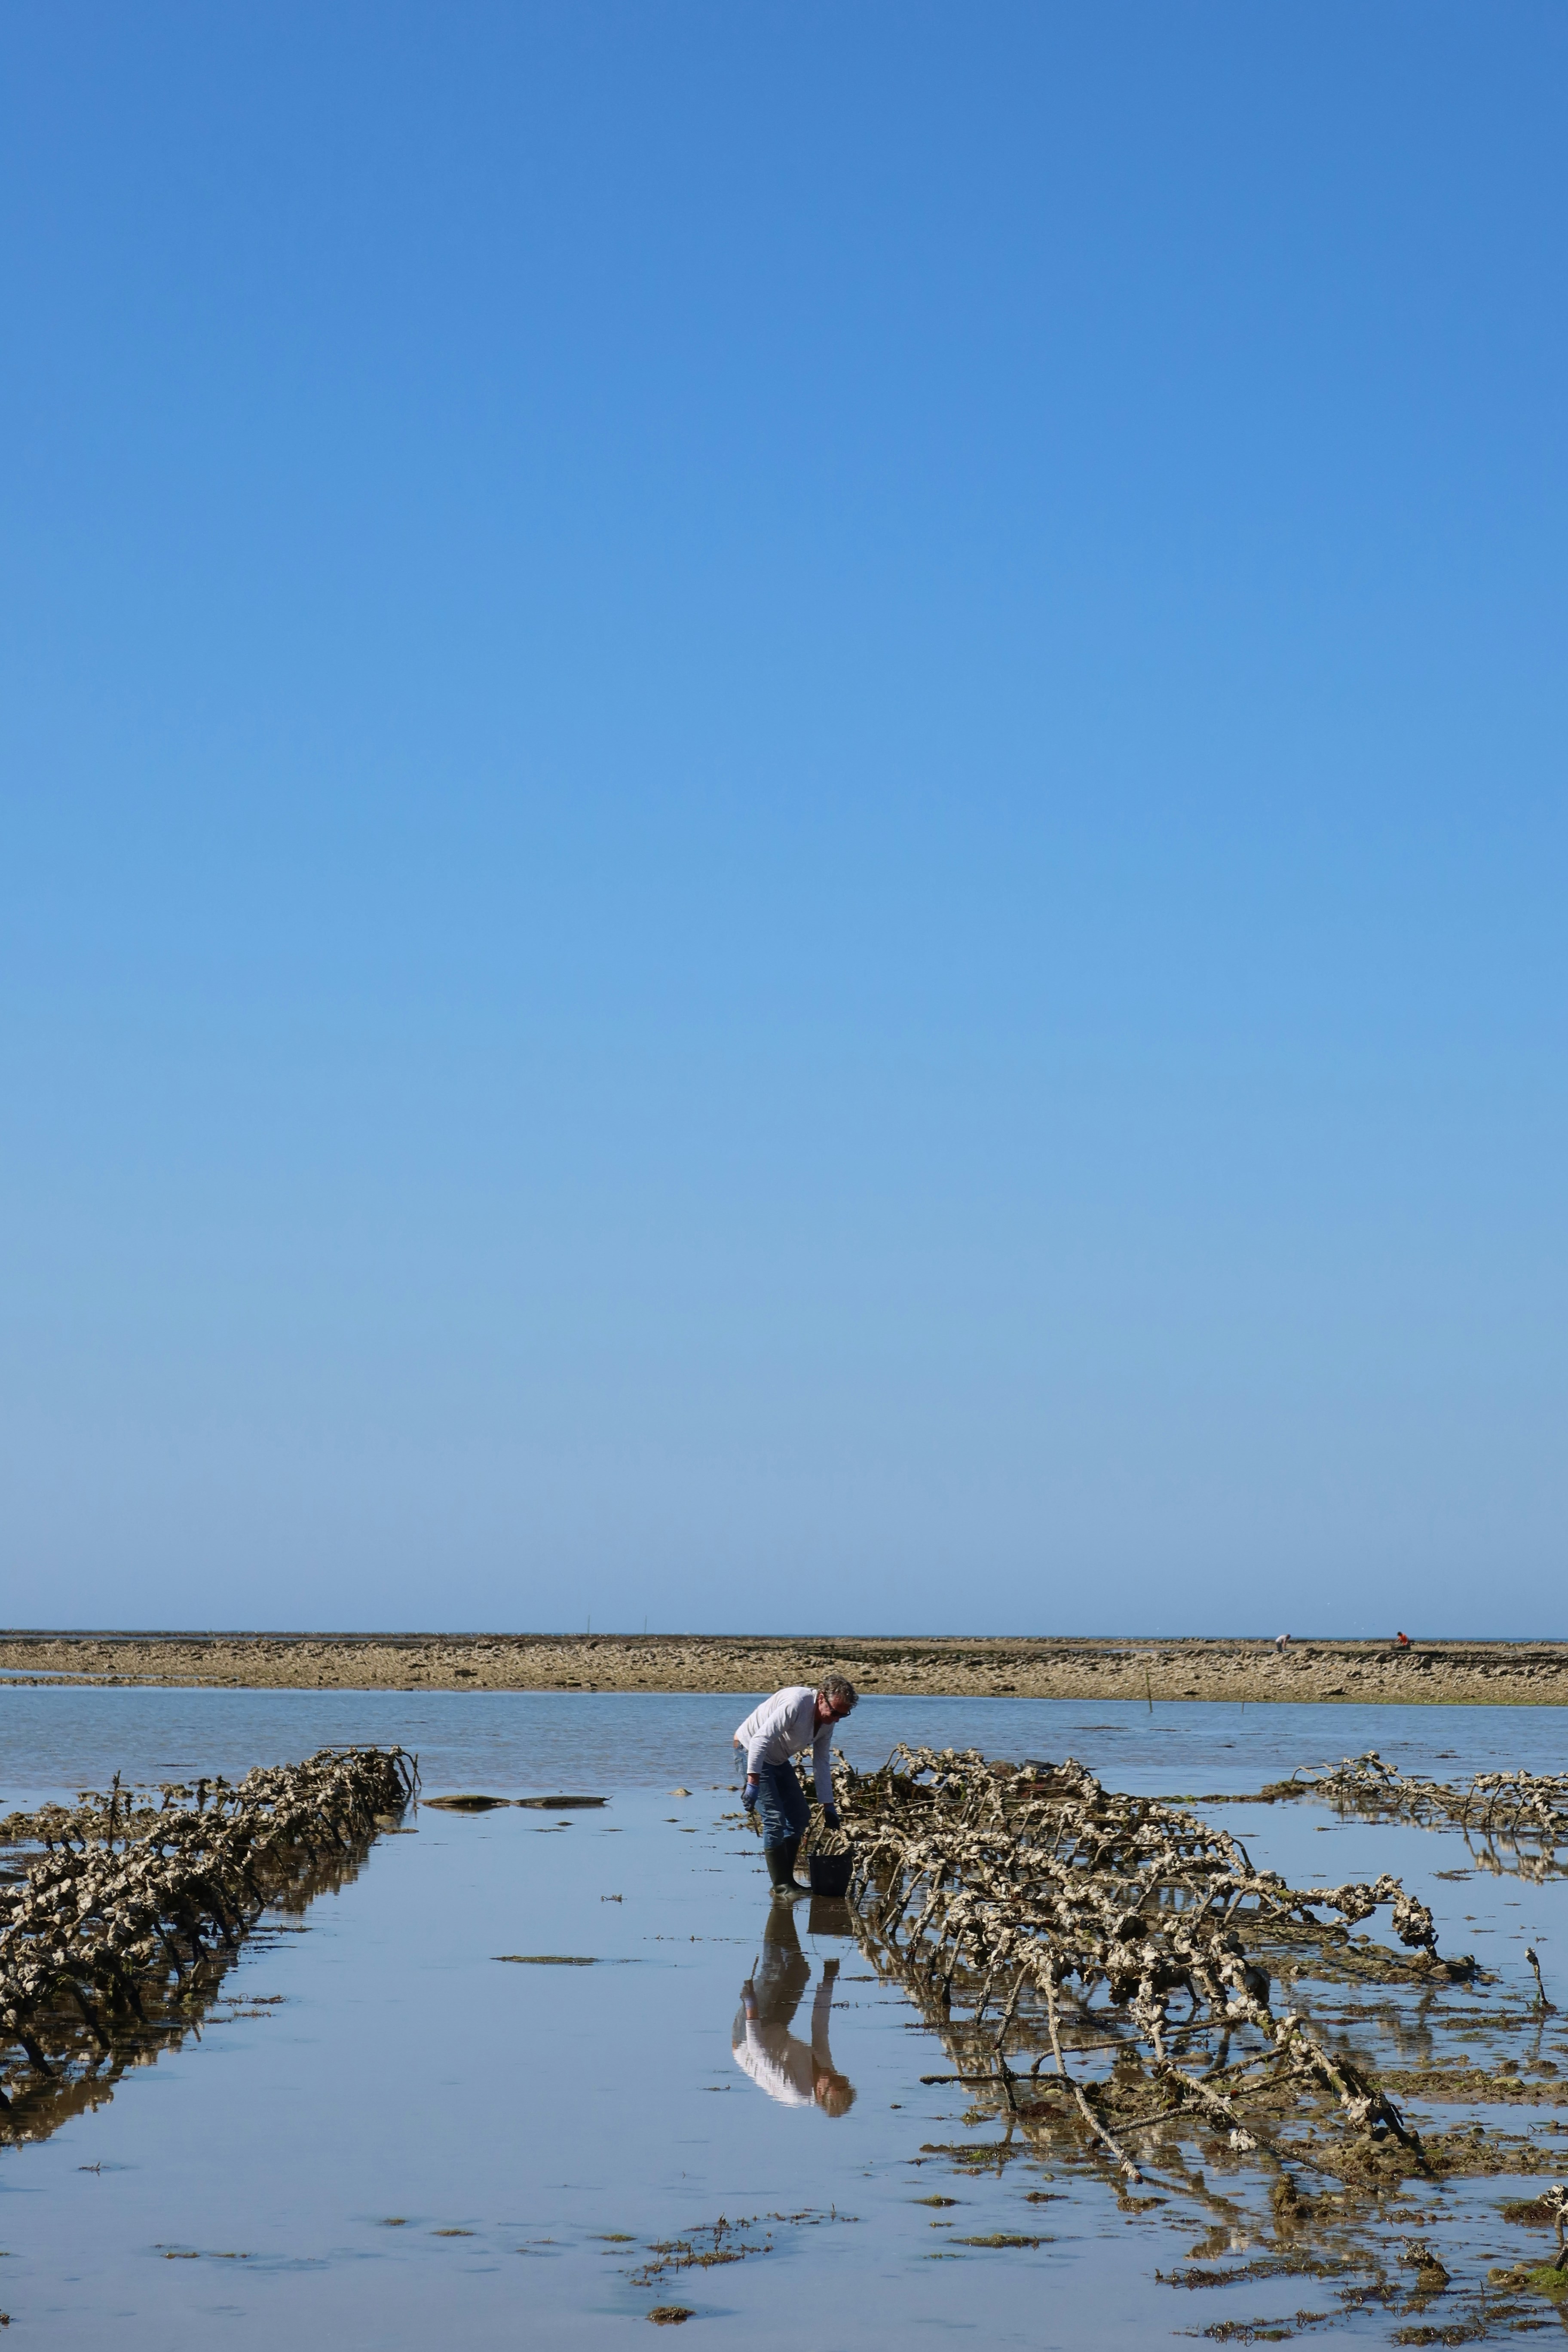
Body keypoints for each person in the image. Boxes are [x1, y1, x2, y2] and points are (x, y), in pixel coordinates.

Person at [733, 1674, 858, 1894]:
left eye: (843, 1715)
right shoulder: (796, 1704)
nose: (836, 1718)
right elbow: (759, 1740)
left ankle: (788, 1881)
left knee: (800, 1817)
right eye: (835, 1712)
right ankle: (781, 1887)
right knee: (774, 1819)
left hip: (778, 1760)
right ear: (821, 1698)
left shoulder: (827, 1723)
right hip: (750, 1750)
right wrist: (753, 1782)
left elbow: (821, 1762)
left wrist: (828, 1806)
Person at [732, 1900, 855, 2116]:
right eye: (841, 2078)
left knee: (773, 1969)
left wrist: (751, 2005)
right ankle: (785, 1912)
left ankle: (780, 1904)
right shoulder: (826, 2068)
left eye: (833, 2081)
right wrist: (828, 1980)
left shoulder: (795, 2090)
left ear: (820, 2093)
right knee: (800, 1970)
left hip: (746, 2040)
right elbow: (819, 2027)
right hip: (777, 2030)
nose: (833, 2073)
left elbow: (758, 2052)